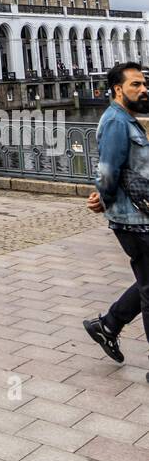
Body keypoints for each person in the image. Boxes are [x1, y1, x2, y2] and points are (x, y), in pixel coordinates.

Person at [84, 62, 149, 374]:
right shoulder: (116, 122)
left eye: (144, 84)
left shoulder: (127, 120)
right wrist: (104, 200)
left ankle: (108, 325)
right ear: (118, 89)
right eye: (136, 84)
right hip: (132, 220)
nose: (144, 89)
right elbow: (108, 170)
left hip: (139, 216)